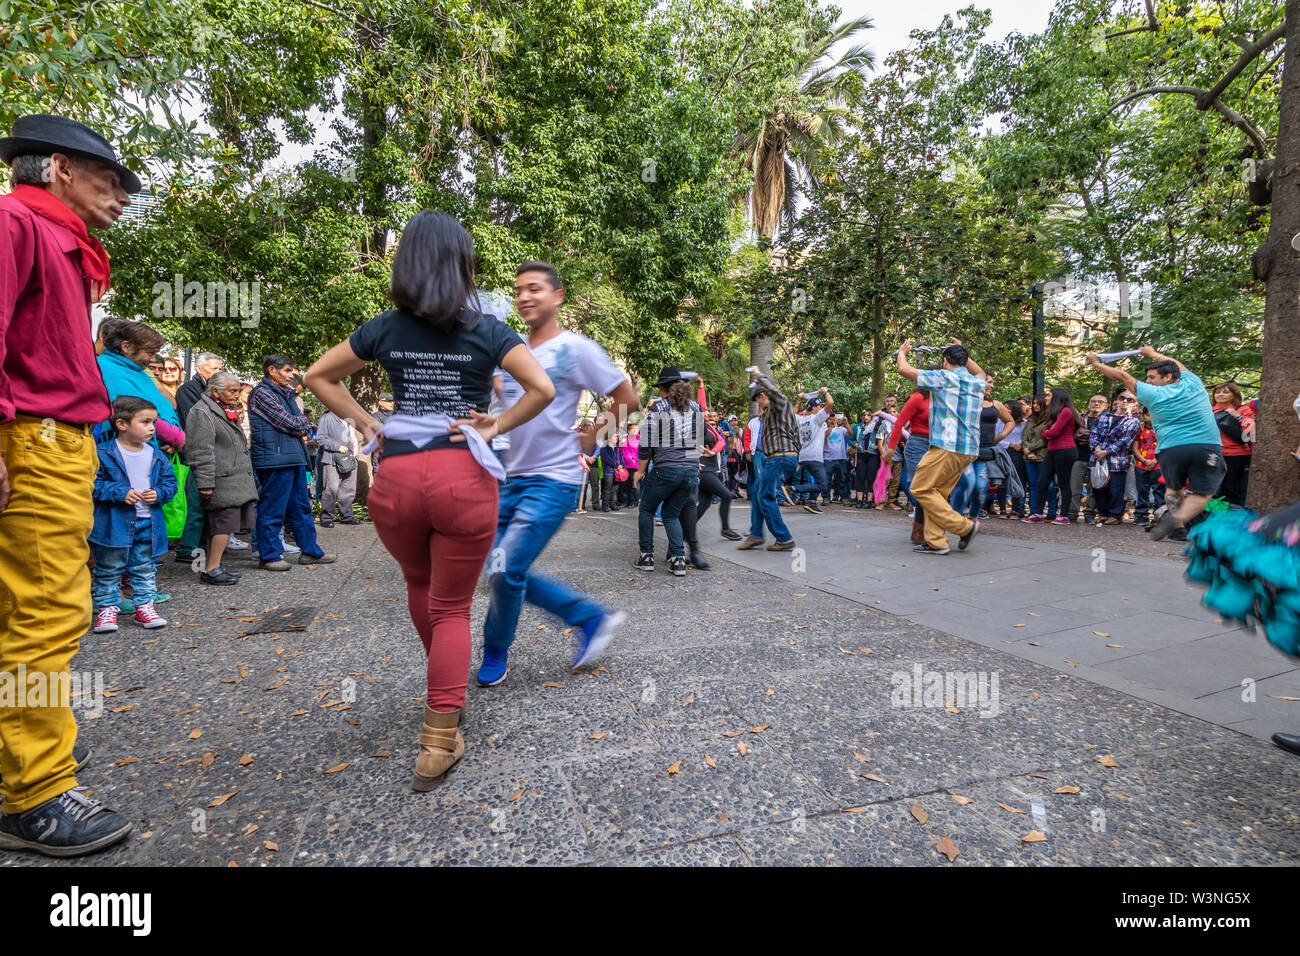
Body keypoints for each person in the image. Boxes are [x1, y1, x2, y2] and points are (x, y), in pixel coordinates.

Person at [306, 213, 551, 790]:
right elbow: (542, 390)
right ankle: (439, 737)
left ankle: (445, 699)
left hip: (397, 478)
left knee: (422, 589)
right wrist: (494, 426)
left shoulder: (385, 328)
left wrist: (369, 421)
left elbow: (318, 375)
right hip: (463, 475)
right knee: (453, 608)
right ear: (464, 266)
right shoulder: (489, 331)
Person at [0, 114, 142, 856]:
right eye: (109, 180)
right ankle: (34, 793)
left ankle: (21, 756)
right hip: (34, 437)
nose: (121, 196)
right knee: (47, 616)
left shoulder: (56, 239)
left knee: (24, 611)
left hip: (56, 438)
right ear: (58, 167)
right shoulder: (14, 221)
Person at [478, 261, 640, 687]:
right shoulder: (511, 349)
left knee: (507, 568)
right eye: (518, 290)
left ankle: (496, 648)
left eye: (534, 288)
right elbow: (506, 409)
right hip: (506, 478)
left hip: (552, 479)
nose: (524, 297)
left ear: (557, 296)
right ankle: (591, 617)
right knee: (497, 568)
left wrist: (592, 438)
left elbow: (627, 397)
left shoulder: (575, 348)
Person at [1087, 347, 1225, 540]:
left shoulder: (1153, 395)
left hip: (1171, 450)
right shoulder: (1193, 383)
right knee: (1204, 491)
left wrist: (1095, 363)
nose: (1148, 382)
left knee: (1173, 488)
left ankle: (1177, 526)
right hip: (1206, 446)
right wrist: (1152, 354)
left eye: (1152, 377)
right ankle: (1179, 519)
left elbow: (1122, 375)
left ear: (1168, 377)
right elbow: (1178, 365)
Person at [90, 395, 177, 630]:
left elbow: (171, 485)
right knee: (108, 568)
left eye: (153, 423)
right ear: (122, 424)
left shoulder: (156, 455)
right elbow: (91, 484)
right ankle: (107, 610)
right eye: (145, 422)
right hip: (113, 523)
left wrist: (159, 493)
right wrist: (118, 492)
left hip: (148, 523)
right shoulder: (103, 453)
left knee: (144, 567)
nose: (152, 428)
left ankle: (144, 607)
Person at [896, 339, 989, 555]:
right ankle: (936, 541)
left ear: (945, 361)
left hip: (945, 446)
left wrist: (902, 352)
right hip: (968, 450)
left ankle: (965, 527)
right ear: (964, 362)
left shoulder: (943, 377)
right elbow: (981, 372)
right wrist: (963, 350)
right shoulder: (977, 383)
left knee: (919, 488)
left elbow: (904, 369)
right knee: (936, 492)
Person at [249, 354, 336, 570]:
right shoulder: (262, 393)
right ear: (272, 370)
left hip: (292, 456)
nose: (292, 375)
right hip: (274, 459)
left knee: (301, 507)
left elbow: (305, 424)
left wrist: (301, 426)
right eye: (288, 371)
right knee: (272, 508)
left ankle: (310, 551)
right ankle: (269, 555)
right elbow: (288, 422)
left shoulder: (285, 394)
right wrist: (300, 426)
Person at [183, 370, 257, 585]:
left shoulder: (220, 410)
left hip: (230, 478)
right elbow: (200, 451)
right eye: (232, 391)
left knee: (219, 525)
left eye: (238, 391)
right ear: (215, 391)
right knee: (223, 524)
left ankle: (212, 566)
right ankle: (212, 568)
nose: (237, 395)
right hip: (220, 479)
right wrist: (205, 482)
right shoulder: (202, 412)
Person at [636, 368, 705, 573]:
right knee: (671, 514)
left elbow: (646, 442)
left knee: (647, 508)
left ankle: (646, 557)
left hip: (666, 468)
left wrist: (640, 471)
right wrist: (694, 465)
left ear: (664, 389)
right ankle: (678, 560)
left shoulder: (658, 407)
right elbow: (697, 439)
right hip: (691, 471)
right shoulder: (696, 407)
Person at [737, 369, 801, 552]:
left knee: (764, 496)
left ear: (763, 395)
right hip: (779, 458)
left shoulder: (781, 405)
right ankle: (756, 534)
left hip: (781, 457)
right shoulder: (770, 414)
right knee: (758, 490)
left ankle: (784, 538)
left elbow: (776, 394)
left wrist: (760, 376)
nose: (758, 405)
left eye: (758, 400)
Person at [1088, 388, 1141, 525]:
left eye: (1130, 400)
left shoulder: (1133, 421)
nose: (1125, 401)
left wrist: (1106, 452)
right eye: (1122, 398)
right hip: (1098, 458)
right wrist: (1097, 448)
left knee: (1115, 489)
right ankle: (1103, 513)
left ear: (1134, 404)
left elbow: (1125, 441)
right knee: (1099, 487)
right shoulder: (1104, 416)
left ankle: (1115, 515)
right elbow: (1094, 433)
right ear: (1117, 400)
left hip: (1116, 460)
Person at [888, 386, 930, 543]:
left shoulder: (944, 397)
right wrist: (891, 448)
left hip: (938, 445)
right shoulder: (918, 397)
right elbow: (899, 423)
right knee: (918, 486)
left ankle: (933, 527)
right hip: (917, 444)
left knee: (933, 487)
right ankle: (920, 528)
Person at [1039, 387, 1084, 526]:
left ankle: (1063, 515)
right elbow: (1045, 432)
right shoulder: (1054, 413)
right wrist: (1048, 432)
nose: (1046, 397)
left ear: (1057, 397)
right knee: (1042, 481)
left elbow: (1053, 433)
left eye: (1049, 395)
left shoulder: (1066, 411)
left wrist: (1048, 432)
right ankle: (1037, 513)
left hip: (1065, 450)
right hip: (1052, 451)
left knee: (1063, 483)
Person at [790, 388, 834, 513]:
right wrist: (825, 392)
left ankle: (811, 502)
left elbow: (792, 414)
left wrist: (799, 400)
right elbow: (830, 403)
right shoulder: (817, 418)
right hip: (814, 457)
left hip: (804, 456)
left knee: (818, 480)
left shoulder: (801, 419)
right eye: (819, 406)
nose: (821, 408)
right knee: (823, 484)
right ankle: (793, 489)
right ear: (813, 408)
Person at [316, 409, 361, 526]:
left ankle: (347, 516)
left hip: (351, 459)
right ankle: (326, 518)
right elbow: (320, 439)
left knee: (349, 489)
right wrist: (337, 447)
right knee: (331, 489)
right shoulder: (327, 418)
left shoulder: (350, 418)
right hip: (332, 459)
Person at [1211, 381, 1253, 506]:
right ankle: (1213, 517)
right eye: (1217, 392)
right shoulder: (1208, 411)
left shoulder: (1242, 409)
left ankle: (1230, 517)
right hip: (1213, 454)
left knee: (1230, 489)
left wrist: (1234, 414)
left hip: (1236, 455)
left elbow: (1251, 432)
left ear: (1234, 395)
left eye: (1225, 392)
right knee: (1212, 489)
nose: (1221, 394)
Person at [1068, 394, 1107, 523]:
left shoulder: (1108, 419)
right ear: (1089, 404)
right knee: (1074, 488)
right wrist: (1091, 436)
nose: (1096, 404)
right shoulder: (1079, 418)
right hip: (1078, 457)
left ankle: (1090, 513)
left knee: (1093, 489)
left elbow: (1107, 437)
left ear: (1106, 405)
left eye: (1100, 402)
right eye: (1093, 401)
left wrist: (1087, 436)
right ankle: (1072, 513)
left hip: (1097, 459)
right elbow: (1071, 433)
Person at [1021, 393, 1057, 522]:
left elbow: (1045, 438)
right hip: (1028, 457)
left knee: (1048, 485)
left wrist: (1030, 448)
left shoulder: (1050, 419)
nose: (1034, 405)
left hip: (1044, 456)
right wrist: (1027, 451)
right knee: (1033, 485)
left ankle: (1052, 512)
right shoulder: (1030, 419)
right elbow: (1024, 436)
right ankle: (1034, 512)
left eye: (1036, 403)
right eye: (1033, 403)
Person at [1132, 405, 1161, 526]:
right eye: (1148, 415)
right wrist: (1144, 460)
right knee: (1142, 490)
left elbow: (1163, 445)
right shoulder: (1139, 430)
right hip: (1141, 464)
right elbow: (1135, 447)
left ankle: (1159, 516)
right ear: (1144, 416)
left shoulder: (1162, 429)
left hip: (1158, 465)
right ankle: (1141, 515)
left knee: (1159, 491)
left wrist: (1154, 460)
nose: (1151, 418)